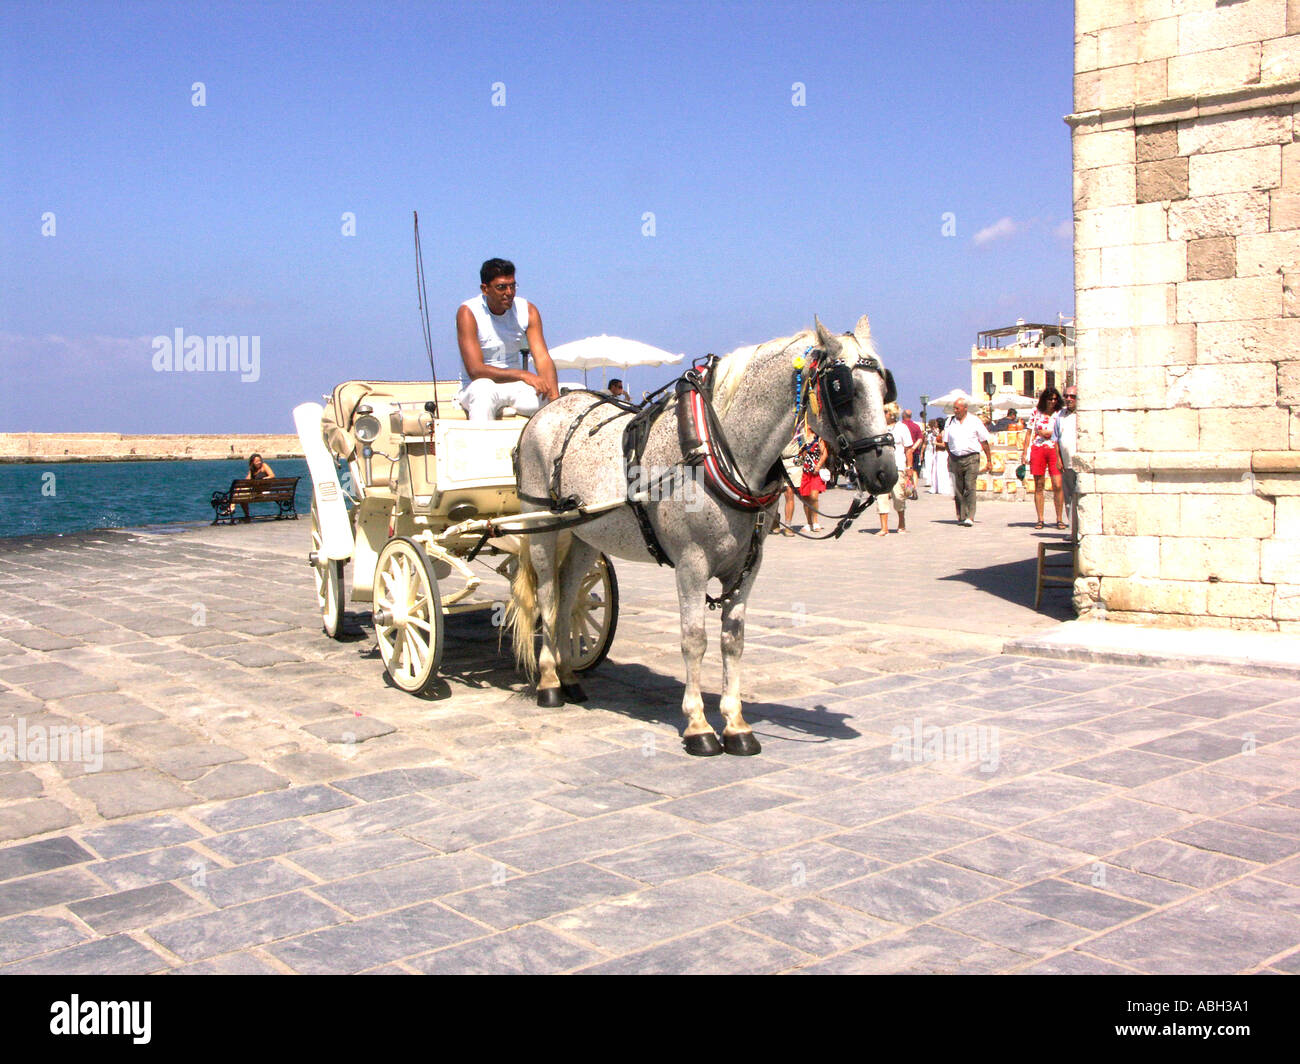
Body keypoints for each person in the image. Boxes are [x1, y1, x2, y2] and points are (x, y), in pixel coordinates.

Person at [455, 258, 559, 421]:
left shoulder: (528, 310)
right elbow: (475, 370)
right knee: (483, 392)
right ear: (485, 289)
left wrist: (554, 399)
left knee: (562, 399)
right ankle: (482, 446)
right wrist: (523, 375)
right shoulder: (468, 312)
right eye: (501, 287)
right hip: (478, 386)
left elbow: (542, 358)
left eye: (512, 286)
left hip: (515, 387)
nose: (509, 292)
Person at [1022, 386, 1065, 530]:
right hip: (1038, 448)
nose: (1052, 401)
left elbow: (1062, 431)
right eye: (1049, 399)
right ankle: (1040, 518)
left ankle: (1059, 518)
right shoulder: (1036, 412)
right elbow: (1029, 432)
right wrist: (1024, 452)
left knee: (1057, 485)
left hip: (1055, 449)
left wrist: (1050, 433)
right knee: (1039, 485)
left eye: (1054, 399)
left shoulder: (1060, 413)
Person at [943, 398, 991, 526]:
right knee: (958, 489)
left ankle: (970, 516)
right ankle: (961, 515)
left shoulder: (974, 421)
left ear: (965, 408)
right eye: (954, 408)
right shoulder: (949, 421)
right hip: (955, 458)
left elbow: (984, 441)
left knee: (970, 486)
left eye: (957, 408)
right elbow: (946, 442)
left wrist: (989, 459)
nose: (955, 410)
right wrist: (951, 455)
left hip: (971, 458)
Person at [876, 404, 914, 535]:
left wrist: (909, 467)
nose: (883, 414)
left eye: (885, 412)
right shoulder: (878, 427)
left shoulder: (902, 428)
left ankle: (901, 522)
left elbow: (908, 449)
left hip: (898, 466)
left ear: (892, 414)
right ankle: (884, 527)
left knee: (898, 496)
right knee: (881, 496)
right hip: (881, 467)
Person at [1054, 385, 1078, 527]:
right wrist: (1058, 459)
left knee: (1080, 496)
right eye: (1066, 396)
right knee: (1068, 497)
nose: (1069, 399)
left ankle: (1081, 529)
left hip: (1080, 463)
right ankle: (1072, 529)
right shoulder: (1060, 416)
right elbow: (1056, 439)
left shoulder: (1082, 415)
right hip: (1066, 462)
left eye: (1072, 396)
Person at [797, 430, 829, 531]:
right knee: (805, 498)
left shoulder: (819, 437)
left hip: (815, 471)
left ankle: (815, 522)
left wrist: (819, 465)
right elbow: (799, 453)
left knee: (814, 496)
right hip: (805, 471)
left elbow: (825, 453)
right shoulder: (802, 437)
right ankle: (808, 523)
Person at [239, 453, 274, 522]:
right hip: (256, 491)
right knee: (240, 494)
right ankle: (245, 515)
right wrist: (250, 471)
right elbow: (247, 481)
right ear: (252, 462)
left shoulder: (264, 466)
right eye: (256, 461)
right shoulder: (252, 469)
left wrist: (264, 479)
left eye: (259, 460)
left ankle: (232, 509)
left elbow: (272, 475)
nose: (259, 462)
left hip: (263, 492)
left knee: (240, 494)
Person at [926, 418, 952, 497]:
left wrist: (935, 443)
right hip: (937, 453)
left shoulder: (944, 432)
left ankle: (943, 487)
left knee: (941, 470)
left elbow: (944, 445)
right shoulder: (939, 432)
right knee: (936, 470)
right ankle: (937, 486)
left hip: (942, 453)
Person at [901, 408, 923, 500]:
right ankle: (913, 489)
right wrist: (914, 448)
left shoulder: (901, 426)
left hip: (904, 452)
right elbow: (920, 439)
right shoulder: (916, 426)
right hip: (915, 452)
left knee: (906, 471)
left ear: (903, 416)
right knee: (914, 471)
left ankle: (908, 490)